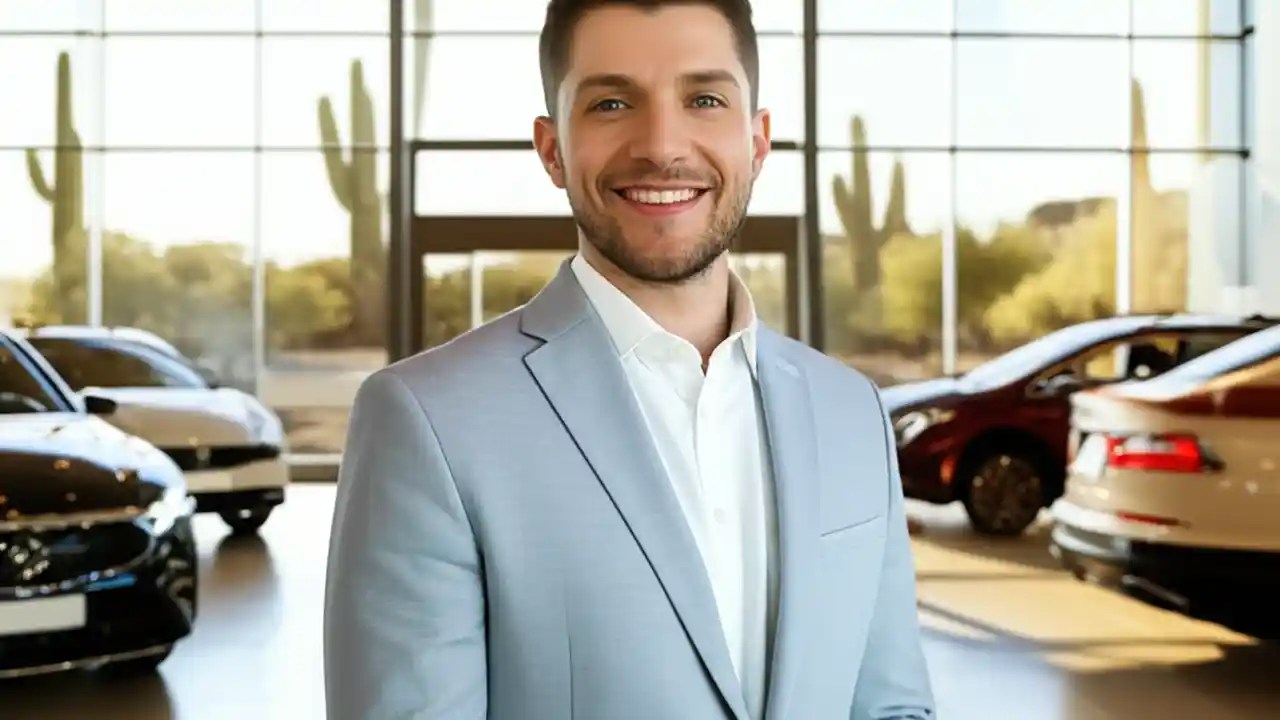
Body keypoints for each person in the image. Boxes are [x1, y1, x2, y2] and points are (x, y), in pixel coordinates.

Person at [323, 1, 935, 718]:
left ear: (758, 142)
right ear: (553, 150)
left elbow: (893, 706)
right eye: (612, 103)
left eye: (704, 99)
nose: (662, 144)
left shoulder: (851, 410)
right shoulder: (427, 421)